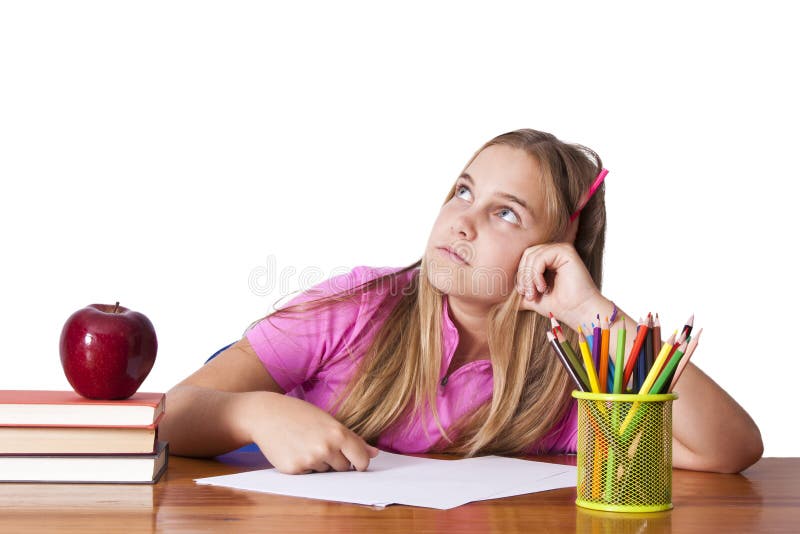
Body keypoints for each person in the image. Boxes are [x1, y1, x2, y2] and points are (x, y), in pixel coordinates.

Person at [160, 128, 763, 475]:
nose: (463, 222)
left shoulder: (561, 381)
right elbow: (170, 413)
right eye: (463, 192)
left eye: (505, 213)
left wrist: (592, 314)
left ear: (555, 251)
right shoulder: (358, 306)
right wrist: (255, 413)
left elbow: (728, 448)